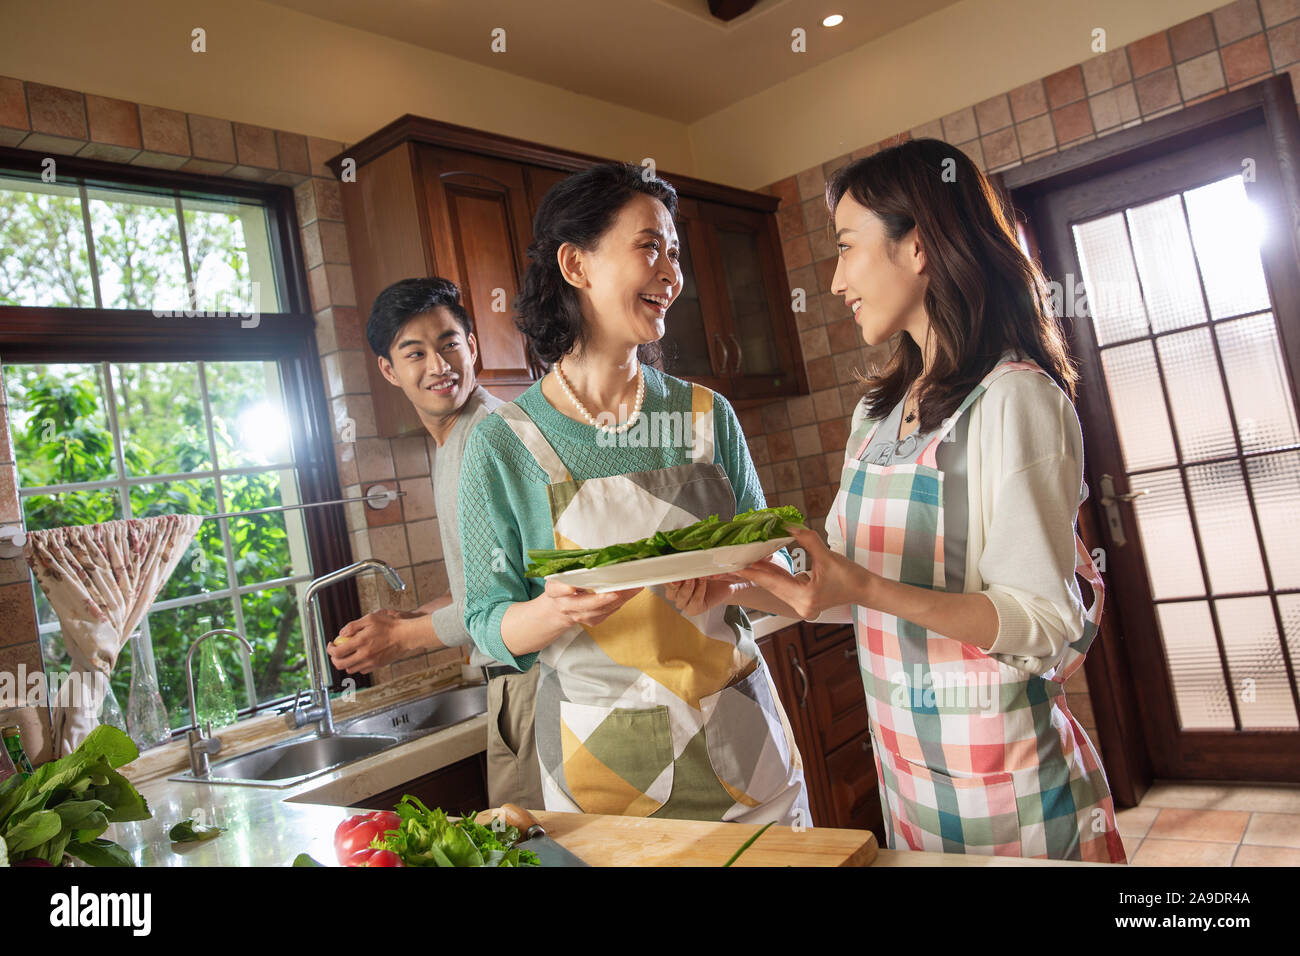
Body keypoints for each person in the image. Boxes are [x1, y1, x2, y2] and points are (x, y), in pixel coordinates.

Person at [667, 139, 1126, 862]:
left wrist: (865, 584)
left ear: (917, 247)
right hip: (911, 785)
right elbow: (853, 593)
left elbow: (1044, 623)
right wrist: (743, 587)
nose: (836, 279)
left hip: (1010, 792)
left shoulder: (1015, 400)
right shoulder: (878, 413)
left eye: (848, 247)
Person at [458, 162, 810, 824]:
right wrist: (558, 611)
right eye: (649, 246)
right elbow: (487, 620)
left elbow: (784, 574)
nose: (672, 274)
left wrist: (729, 585)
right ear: (576, 265)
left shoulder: (706, 416)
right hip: (605, 772)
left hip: (744, 750)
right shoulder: (504, 443)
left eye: (675, 253)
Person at [327, 277, 544, 811]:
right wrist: (410, 617)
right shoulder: (459, 442)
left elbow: (510, 602)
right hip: (520, 678)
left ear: (473, 345)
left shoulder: (488, 438)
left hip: (535, 679)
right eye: (415, 352)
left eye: (449, 343)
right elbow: (500, 578)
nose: (438, 365)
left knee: (542, 850)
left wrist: (406, 639)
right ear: (388, 370)